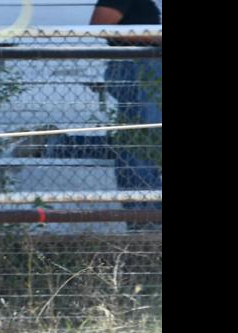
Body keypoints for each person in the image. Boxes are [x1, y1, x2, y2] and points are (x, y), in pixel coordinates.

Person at [92, 1, 162, 198]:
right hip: (137, 69)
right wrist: (156, 38)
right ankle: (144, 211)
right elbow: (101, 24)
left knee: (146, 139)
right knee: (141, 140)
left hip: (147, 70)